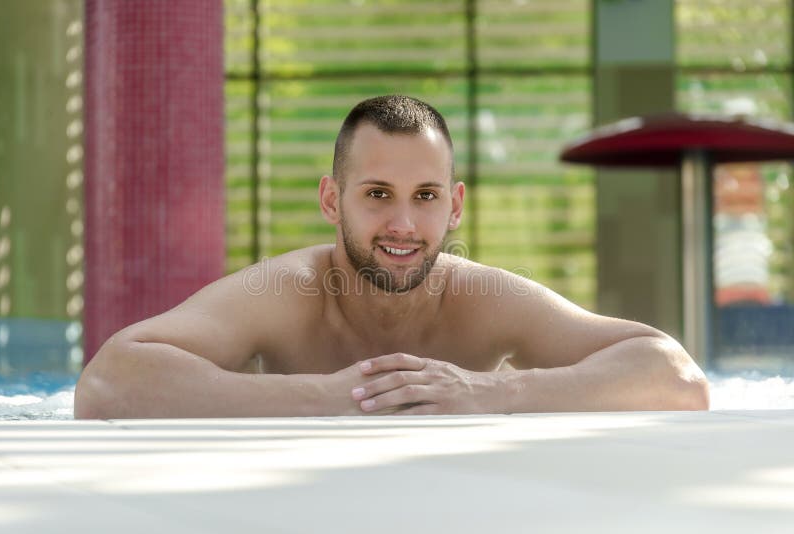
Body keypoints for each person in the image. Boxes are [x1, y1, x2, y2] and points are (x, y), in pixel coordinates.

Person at [74, 95, 709, 419]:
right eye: (377, 194)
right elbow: (106, 382)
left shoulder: (483, 298)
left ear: (455, 205)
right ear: (332, 199)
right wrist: (324, 398)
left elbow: (678, 378)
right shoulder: (284, 290)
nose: (403, 225)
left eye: (425, 196)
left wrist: (493, 391)